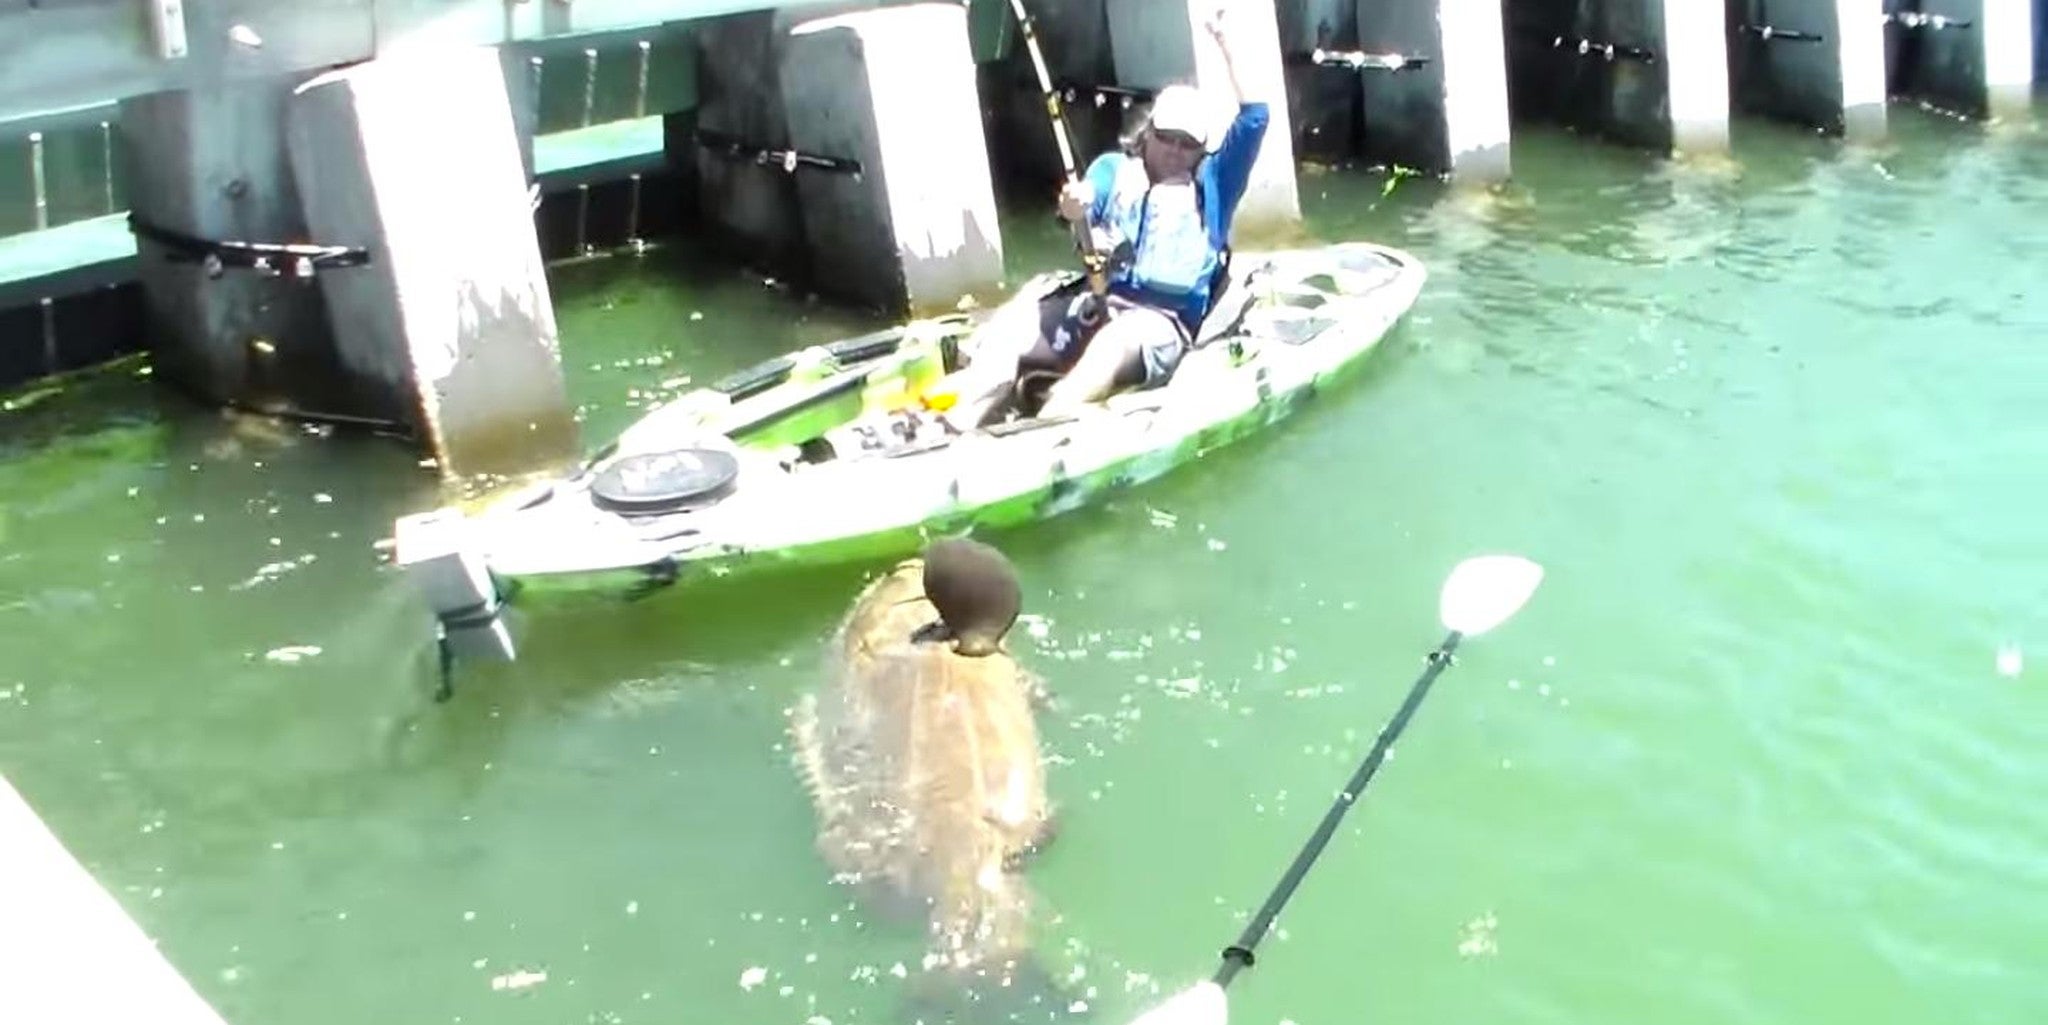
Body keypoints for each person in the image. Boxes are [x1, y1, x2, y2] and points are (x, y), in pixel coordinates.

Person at [940, 8, 1269, 426]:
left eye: (1188, 145)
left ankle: (1046, 427)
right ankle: (956, 425)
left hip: (1160, 325)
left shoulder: (1215, 183)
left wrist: (1226, 44)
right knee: (1014, 331)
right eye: (1167, 138)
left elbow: (1256, 119)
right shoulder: (1113, 170)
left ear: (1201, 150)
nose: (1174, 151)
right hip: (1099, 302)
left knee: (1115, 343)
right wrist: (1072, 205)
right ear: (1148, 133)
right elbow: (1082, 205)